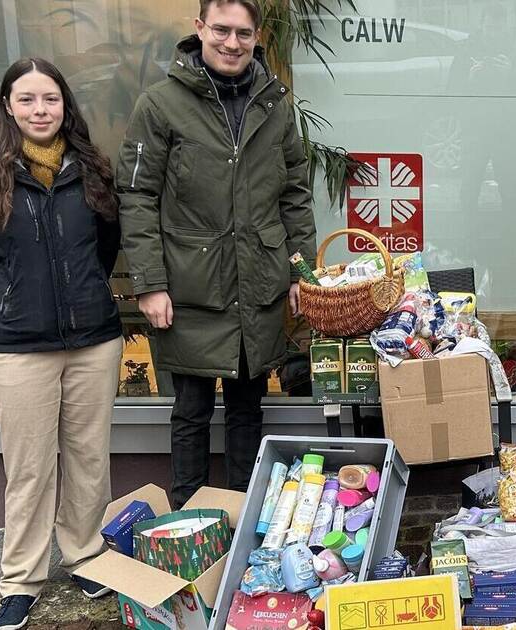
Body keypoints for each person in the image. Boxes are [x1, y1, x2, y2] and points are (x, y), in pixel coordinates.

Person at [118, 0, 316, 507]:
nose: (232, 43)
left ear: (256, 38)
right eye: (222, 30)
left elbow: (295, 191)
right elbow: (137, 196)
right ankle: (189, 520)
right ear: (199, 28)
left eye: (243, 33)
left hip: (259, 282)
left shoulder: (274, 105)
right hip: (191, 286)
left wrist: (301, 271)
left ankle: (246, 513)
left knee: (250, 407)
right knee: (191, 411)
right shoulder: (160, 105)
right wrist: (150, 283)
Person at [0, 57, 122, 630]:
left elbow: (107, 247)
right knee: (29, 470)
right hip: (19, 348)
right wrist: (13, 298)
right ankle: (20, 581)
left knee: (88, 459)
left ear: (65, 104)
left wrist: (83, 295)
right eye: (27, 100)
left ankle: (86, 555)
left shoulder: (92, 169)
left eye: (50, 99)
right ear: (8, 106)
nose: (40, 110)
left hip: (93, 340)